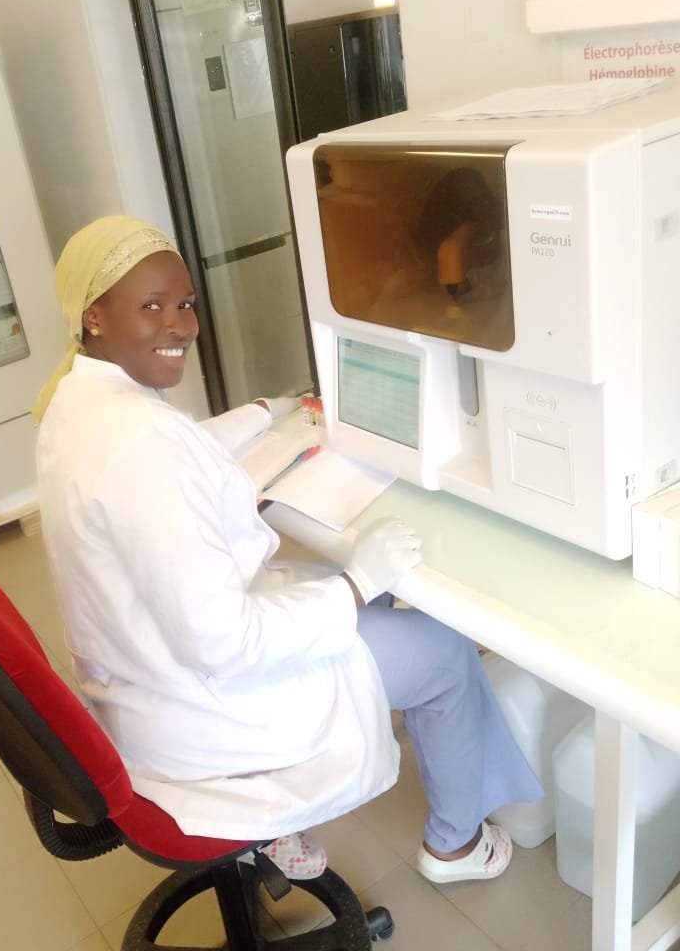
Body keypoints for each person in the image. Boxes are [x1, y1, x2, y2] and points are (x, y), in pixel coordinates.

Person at [34, 215, 542, 883]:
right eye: (151, 306)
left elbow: (175, 455)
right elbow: (223, 643)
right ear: (94, 316)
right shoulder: (142, 445)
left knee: (355, 584)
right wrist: (355, 585)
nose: (180, 325)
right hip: (205, 713)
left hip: (139, 689)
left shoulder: (76, 404)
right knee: (443, 652)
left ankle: (393, 738)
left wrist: (262, 411)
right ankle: (456, 844)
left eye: (185, 304)